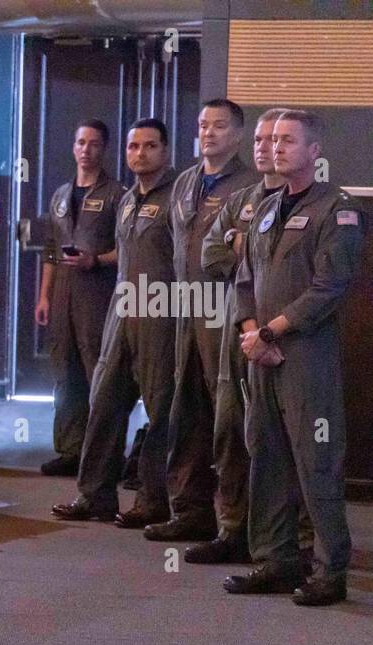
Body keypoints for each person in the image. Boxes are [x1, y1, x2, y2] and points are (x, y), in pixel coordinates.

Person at [223, 110, 365, 607]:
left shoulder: (338, 210)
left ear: (314, 152)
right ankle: (276, 560)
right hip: (261, 356)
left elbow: (331, 287)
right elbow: (243, 280)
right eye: (273, 139)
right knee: (267, 458)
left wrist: (270, 330)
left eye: (289, 140)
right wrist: (250, 333)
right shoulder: (265, 208)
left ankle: (330, 571)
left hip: (306, 357)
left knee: (317, 460)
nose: (276, 148)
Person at [52, 119, 179, 528]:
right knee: (103, 401)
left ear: (166, 152)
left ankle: (153, 500)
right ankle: (95, 495)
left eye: (150, 146)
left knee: (161, 409)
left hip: (160, 311)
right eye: (133, 146)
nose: (140, 154)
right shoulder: (127, 203)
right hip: (121, 309)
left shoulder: (178, 197)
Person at [149, 99, 259, 544]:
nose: (208, 133)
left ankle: (236, 522)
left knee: (229, 416)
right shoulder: (184, 182)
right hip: (184, 307)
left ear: (237, 134)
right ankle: (190, 510)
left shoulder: (251, 184)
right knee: (186, 410)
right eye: (202, 125)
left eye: (218, 126)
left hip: (227, 308)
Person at [189, 108, 290, 564]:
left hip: (286, 339)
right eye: (261, 141)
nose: (266, 148)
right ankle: (232, 529)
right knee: (229, 432)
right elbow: (211, 255)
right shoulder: (242, 200)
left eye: (276, 140)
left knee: (279, 441)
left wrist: (241, 243)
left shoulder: (307, 203)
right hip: (238, 330)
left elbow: (289, 263)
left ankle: (290, 541)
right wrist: (242, 245)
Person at [35, 119, 125, 477]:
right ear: (73, 147)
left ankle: (104, 455)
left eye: (94, 144)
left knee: (98, 374)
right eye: (80, 142)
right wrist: (43, 297)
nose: (86, 150)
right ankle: (71, 449)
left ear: (103, 150)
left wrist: (96, 260)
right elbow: (51, 251)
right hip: (62, 298)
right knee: (65, 373)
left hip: (98, 295)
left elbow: (129, 250)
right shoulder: (59, 195)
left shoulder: (117, 195)